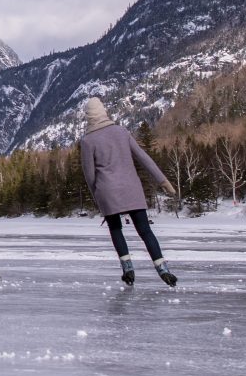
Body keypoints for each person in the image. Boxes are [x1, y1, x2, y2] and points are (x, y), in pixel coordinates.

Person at [77, 97, 179, 287]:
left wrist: (97, 197)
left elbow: (89, 175)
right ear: (104, 111)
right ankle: (163, 270)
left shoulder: (87, 141)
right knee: (145, 231)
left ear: (88, 116)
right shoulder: (121, 132)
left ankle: (128, 270)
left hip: (107, 192)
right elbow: (143, 157)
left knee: (116, 230)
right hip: (132, 188)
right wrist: (163, 180)